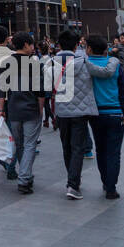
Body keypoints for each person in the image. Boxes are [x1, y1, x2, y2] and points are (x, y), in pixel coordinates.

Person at [45, 30, 110, 199]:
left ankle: (73, 181)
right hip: (81, 112)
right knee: (77, 148)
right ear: (76, 46)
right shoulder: (84, 61)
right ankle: (73, 184)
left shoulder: (50, 63)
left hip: (61, 111)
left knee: (66, 147)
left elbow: (46, 87)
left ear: (58, 45)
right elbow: (102, 73)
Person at [0, 33, 47, 194]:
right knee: (30, 144)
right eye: (32, 45)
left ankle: (26, 174)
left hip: (13, 110)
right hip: (30, 109)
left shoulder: (6, 63)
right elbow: (40, 91)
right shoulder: (34, 64)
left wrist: (0, 111)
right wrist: (41, 110)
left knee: (20, 144)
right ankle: (24, 178)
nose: (33, 48)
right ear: (26, 45)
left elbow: (2, 90)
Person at [85, 34, 124, 199]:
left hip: (96, 114)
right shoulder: (114, 65)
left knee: (101, 149)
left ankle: (106, 181)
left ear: (89, 49)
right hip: (115, 112)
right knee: (114, 152)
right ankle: (111, 186)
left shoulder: (86, 65)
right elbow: (123, 89)